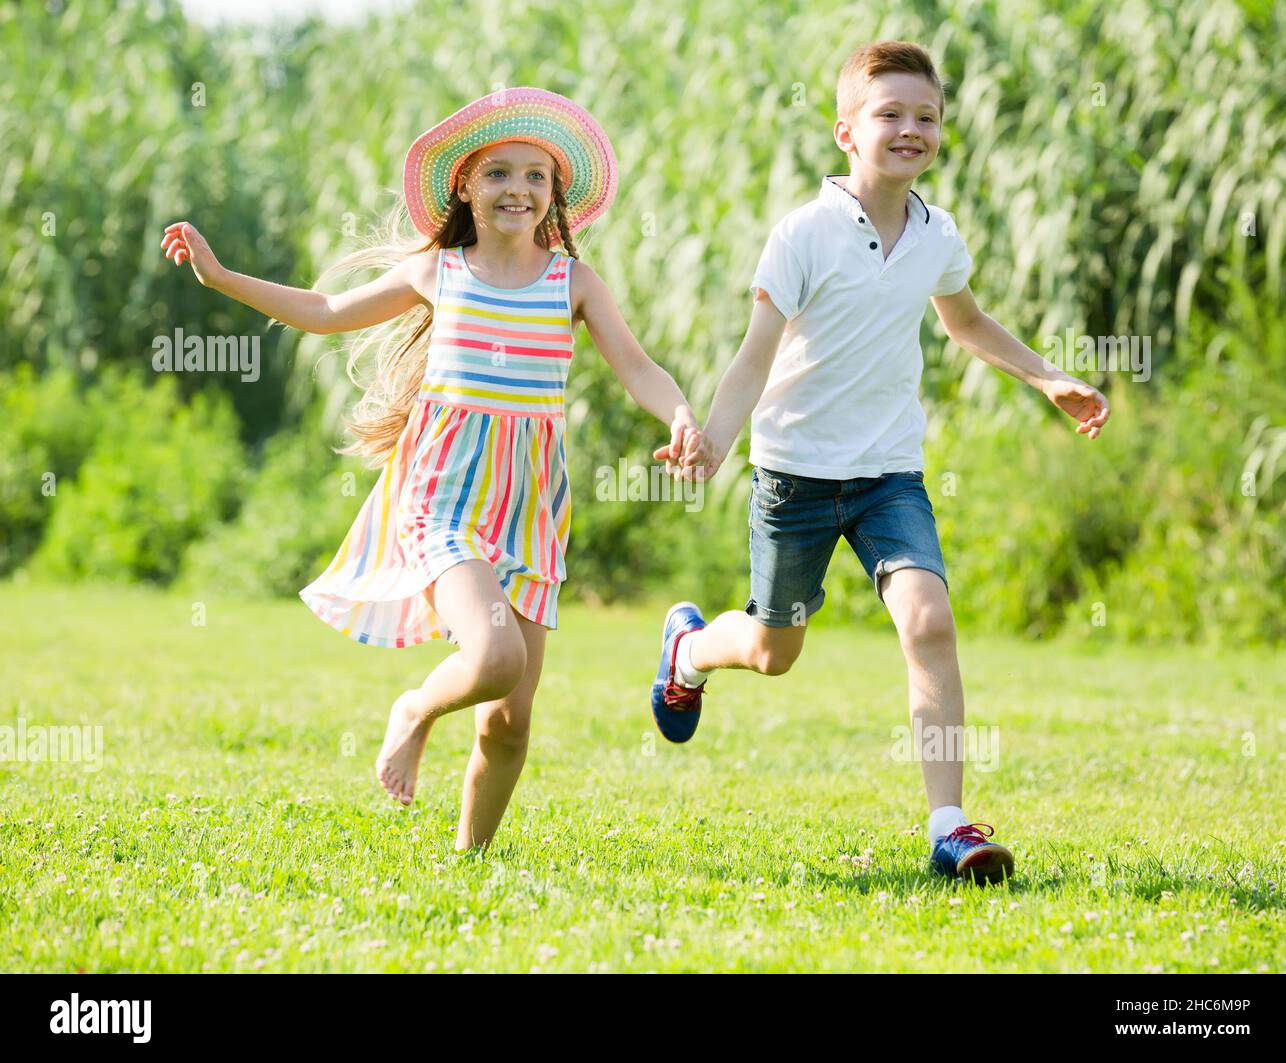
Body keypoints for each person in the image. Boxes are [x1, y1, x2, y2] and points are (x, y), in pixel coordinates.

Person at [163, 87, 709, 850]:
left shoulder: (573, 284)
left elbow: (641, 369)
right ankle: (414, 710)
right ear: (464, 186)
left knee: (510, 719)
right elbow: (324, 309)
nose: (517, 189)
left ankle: (469, 860)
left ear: (555, 195)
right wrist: (221, 277)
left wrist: (679, 413)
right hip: (444, 501)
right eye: (498, 174)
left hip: (532, 509)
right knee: (491, 655)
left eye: (535, 177)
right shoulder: (438, 271)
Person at [649, 42, 1110, 884]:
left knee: (928, 621)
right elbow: (754, 357)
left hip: (889, 473)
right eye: (889, 114)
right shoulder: (803, 234)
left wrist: (1049, 378)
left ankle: (951, 826)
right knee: (770, 651)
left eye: (925, 116)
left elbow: (966, 323)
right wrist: (713, 438)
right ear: (845, 132)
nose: (910, 129)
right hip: (794, 474)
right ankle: (686, 651)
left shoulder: (938, 235)